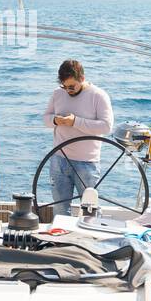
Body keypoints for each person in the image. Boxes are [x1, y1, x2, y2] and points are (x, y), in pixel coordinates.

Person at [41, 59, 114, 216]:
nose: (68, 90)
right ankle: (61, 240)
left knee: (90, 211)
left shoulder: (99, 96)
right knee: (60, 210)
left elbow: (106, 126)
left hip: (87, 164)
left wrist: (75, 121)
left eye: (71, 86)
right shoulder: (57, 93)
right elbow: (46, 118)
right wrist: (55, 120)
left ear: (82, 78)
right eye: (64, 86)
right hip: (59, 160)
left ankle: (90, 239)